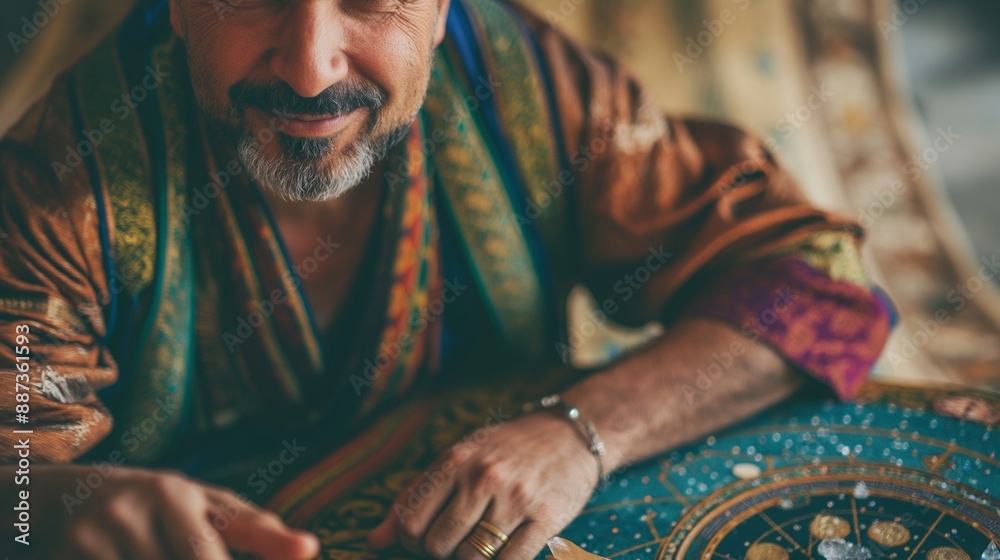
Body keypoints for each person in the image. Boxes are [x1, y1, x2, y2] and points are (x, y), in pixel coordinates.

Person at [0, 0, 892, 558]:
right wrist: (61, 506)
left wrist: (582, 434)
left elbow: (818, 288)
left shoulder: (533, 92)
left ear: (438, 10)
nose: (311, 65)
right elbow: (16, 476)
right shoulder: (56, 183)